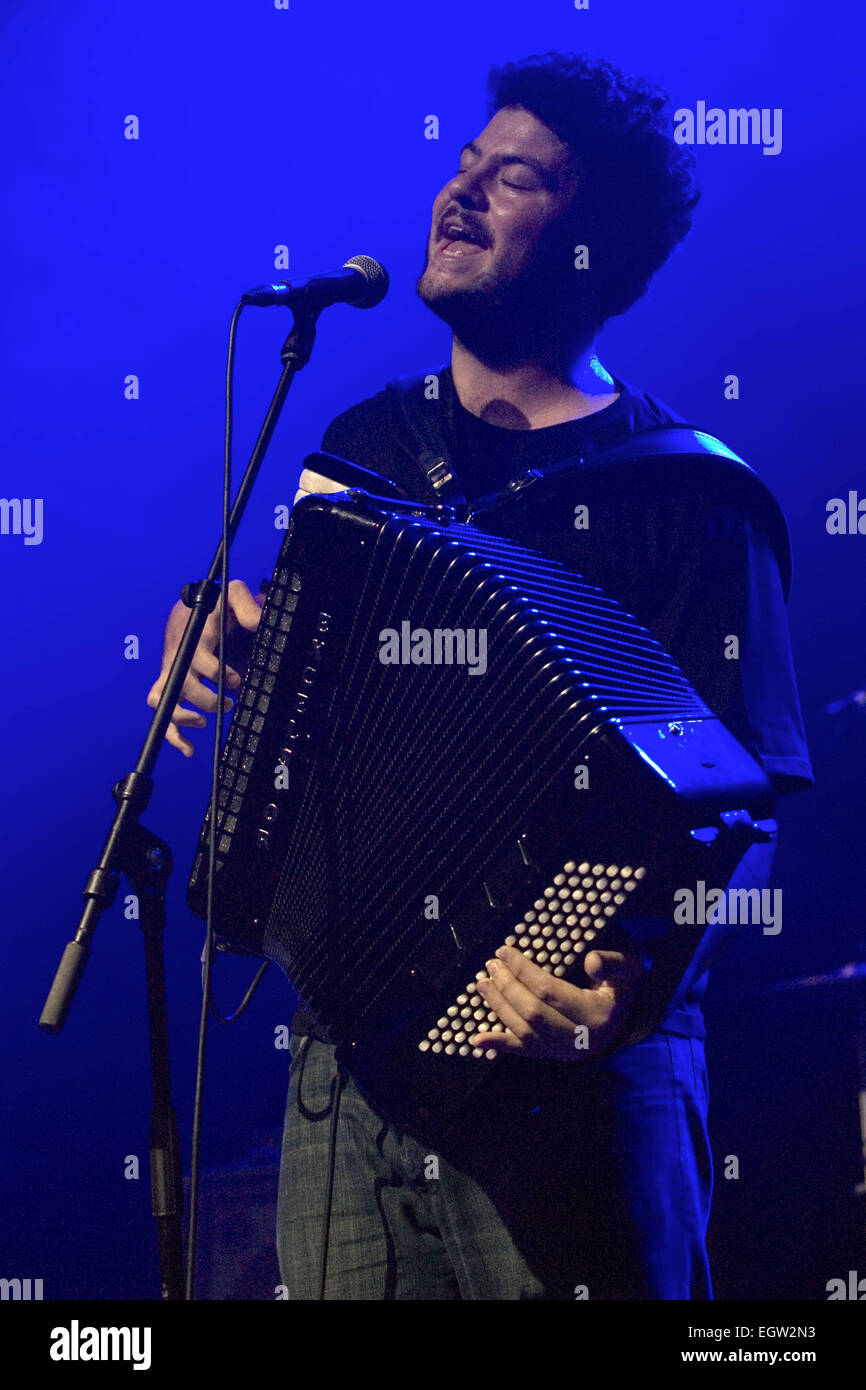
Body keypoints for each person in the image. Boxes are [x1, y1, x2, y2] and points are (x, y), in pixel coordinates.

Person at [148, 52, 813, 1299]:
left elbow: (746, 811)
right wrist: (218, 633)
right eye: (464, 165)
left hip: (572, 1087)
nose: (459, 197)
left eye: (513, 181)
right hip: (343, 1081)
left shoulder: (689, 496)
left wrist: (630, 977)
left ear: (592, 245)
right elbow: (303, 704)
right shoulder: (364, 448)